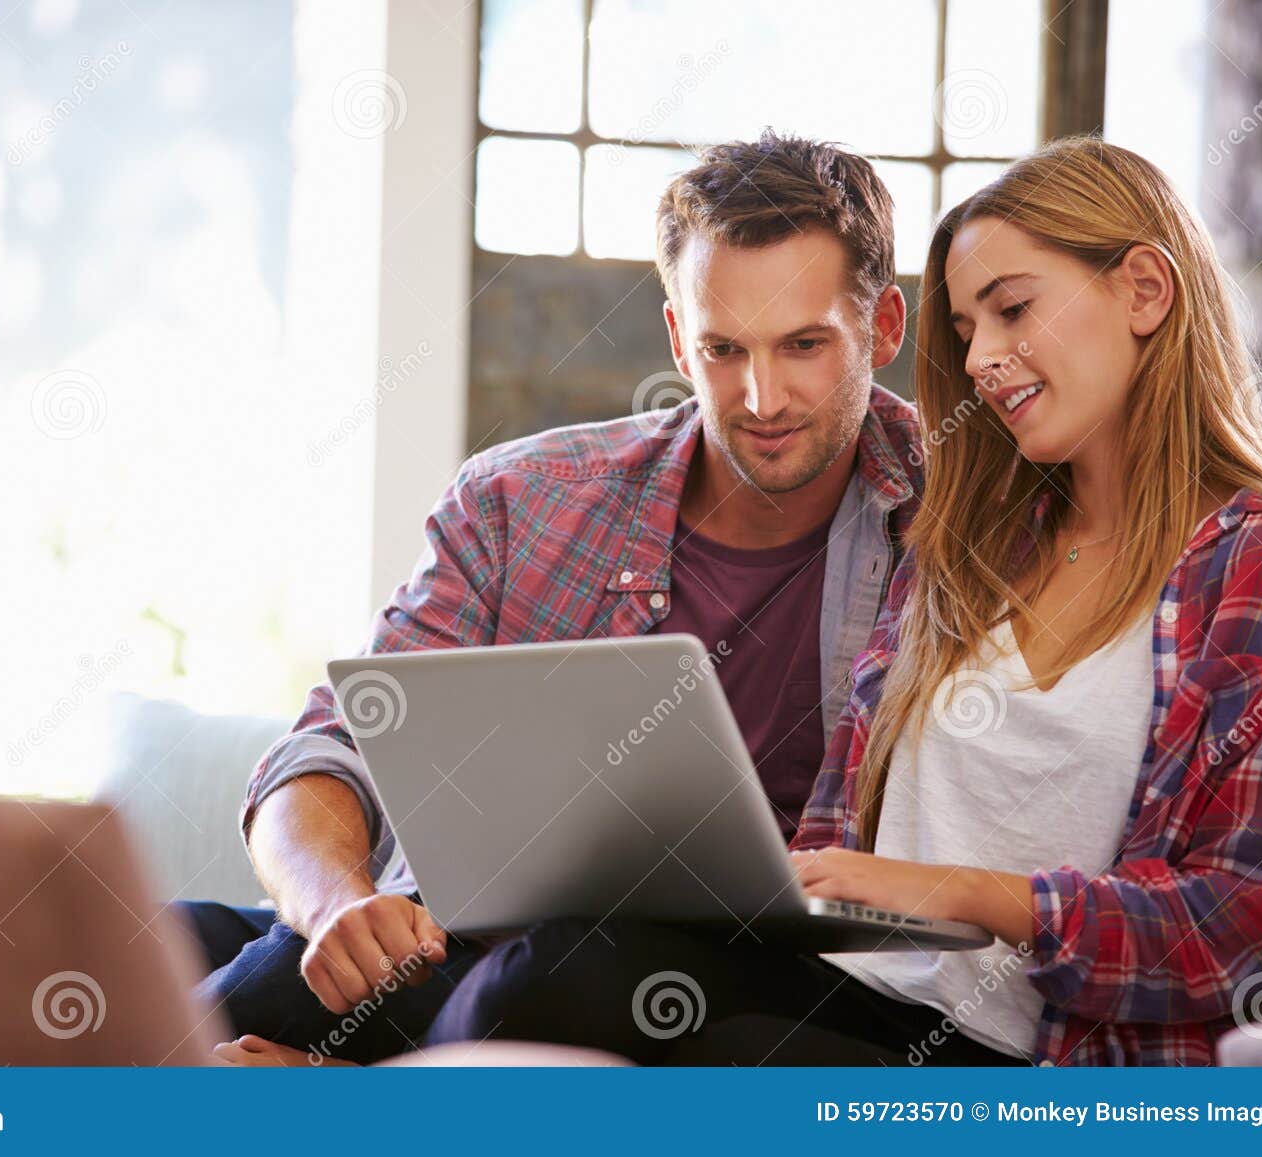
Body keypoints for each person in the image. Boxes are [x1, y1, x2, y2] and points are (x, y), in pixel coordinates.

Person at [420, 137, 1262, 1067]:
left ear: (1144, 290)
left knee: (678, 1043)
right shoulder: (969, 538)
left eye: (1012, 310)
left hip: (1030, 1059)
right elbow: (836, 832)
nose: (981, 361)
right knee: (551, 973)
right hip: (854, 991)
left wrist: (951, 891)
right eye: (967, 330)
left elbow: (1229, 928)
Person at [183, 131, 921, 1065]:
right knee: (216, 966)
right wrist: (336, 902)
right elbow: (336, 740)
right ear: (676, 342)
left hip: (716, 975)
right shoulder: (520, 499)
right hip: (458, 935)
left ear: (885, 326)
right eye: (722, 348)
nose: (761, 396)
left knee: (553, 971)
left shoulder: (954, 519)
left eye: (805, 345)